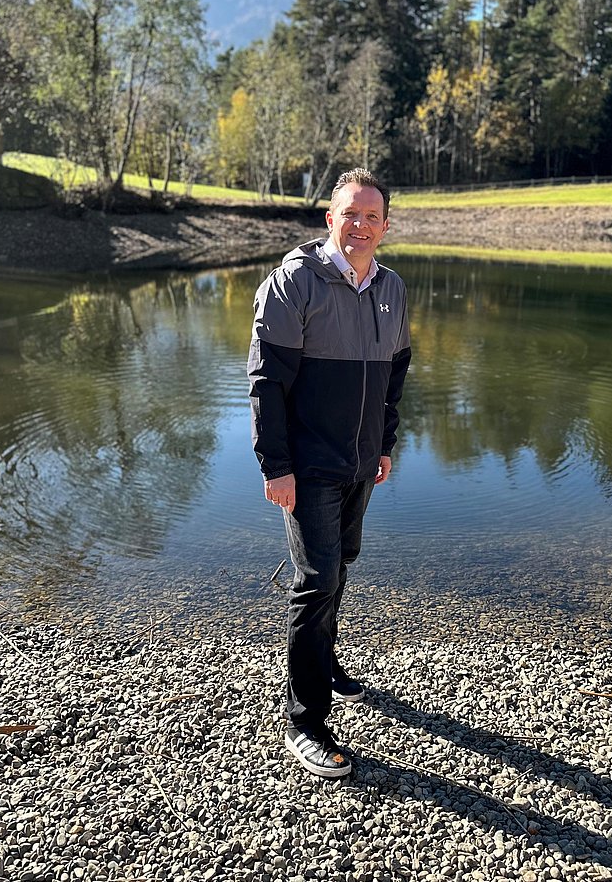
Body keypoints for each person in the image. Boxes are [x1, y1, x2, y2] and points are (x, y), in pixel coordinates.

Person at [247, 168, 411, 779]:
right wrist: (277, 465)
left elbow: (394, 376)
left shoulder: (391, 287)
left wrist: (384, 447)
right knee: (316, 579)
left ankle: (325, 657)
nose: (361, 226)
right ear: (329, 219)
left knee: (342, 561)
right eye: (350, 214)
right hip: (309, 465)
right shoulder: (294, 283)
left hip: (362, 462)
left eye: (372, 217)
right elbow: (267, 383)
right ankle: (304, 719)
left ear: (386, 227)